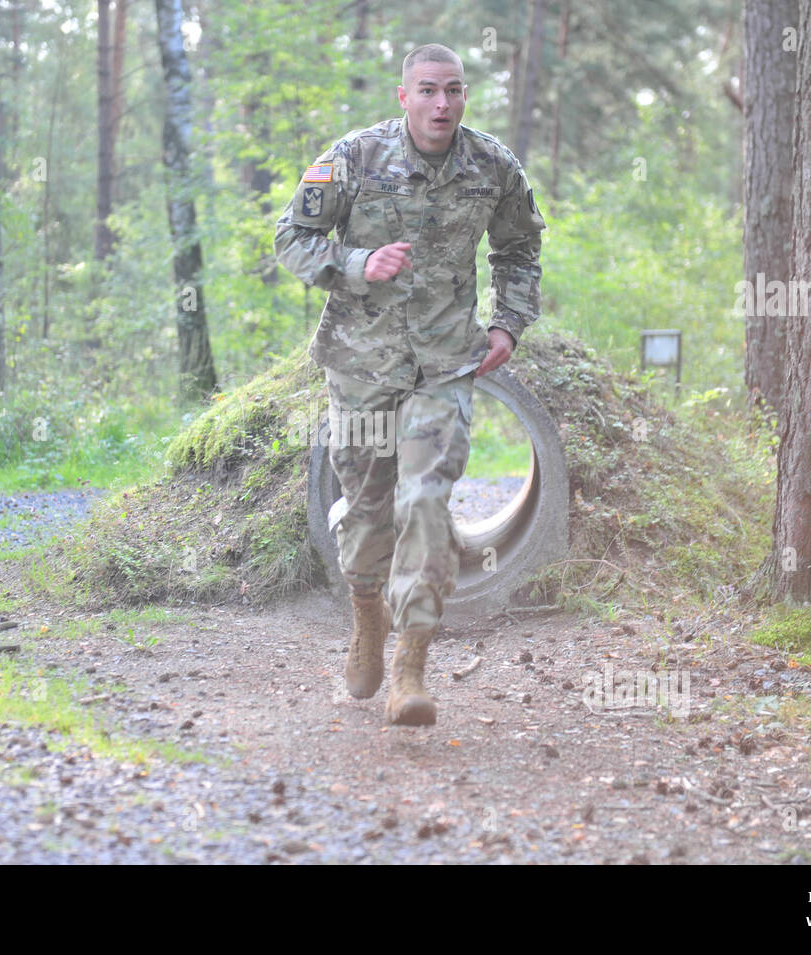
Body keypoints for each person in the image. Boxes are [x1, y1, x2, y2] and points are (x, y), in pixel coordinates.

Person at [274, 43, 545, 726]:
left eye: (453, 90)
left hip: (446, 364)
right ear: (404, 97)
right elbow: (291, 237)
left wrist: (508, 324)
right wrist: (360, 262)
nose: (442, 104)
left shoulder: (492, 167)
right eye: (427, 90)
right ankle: (368, 619)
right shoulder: (356, 158)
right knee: (367, 515)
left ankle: (411, 665)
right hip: (361, 367)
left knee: (425, 500)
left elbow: (520, 248)